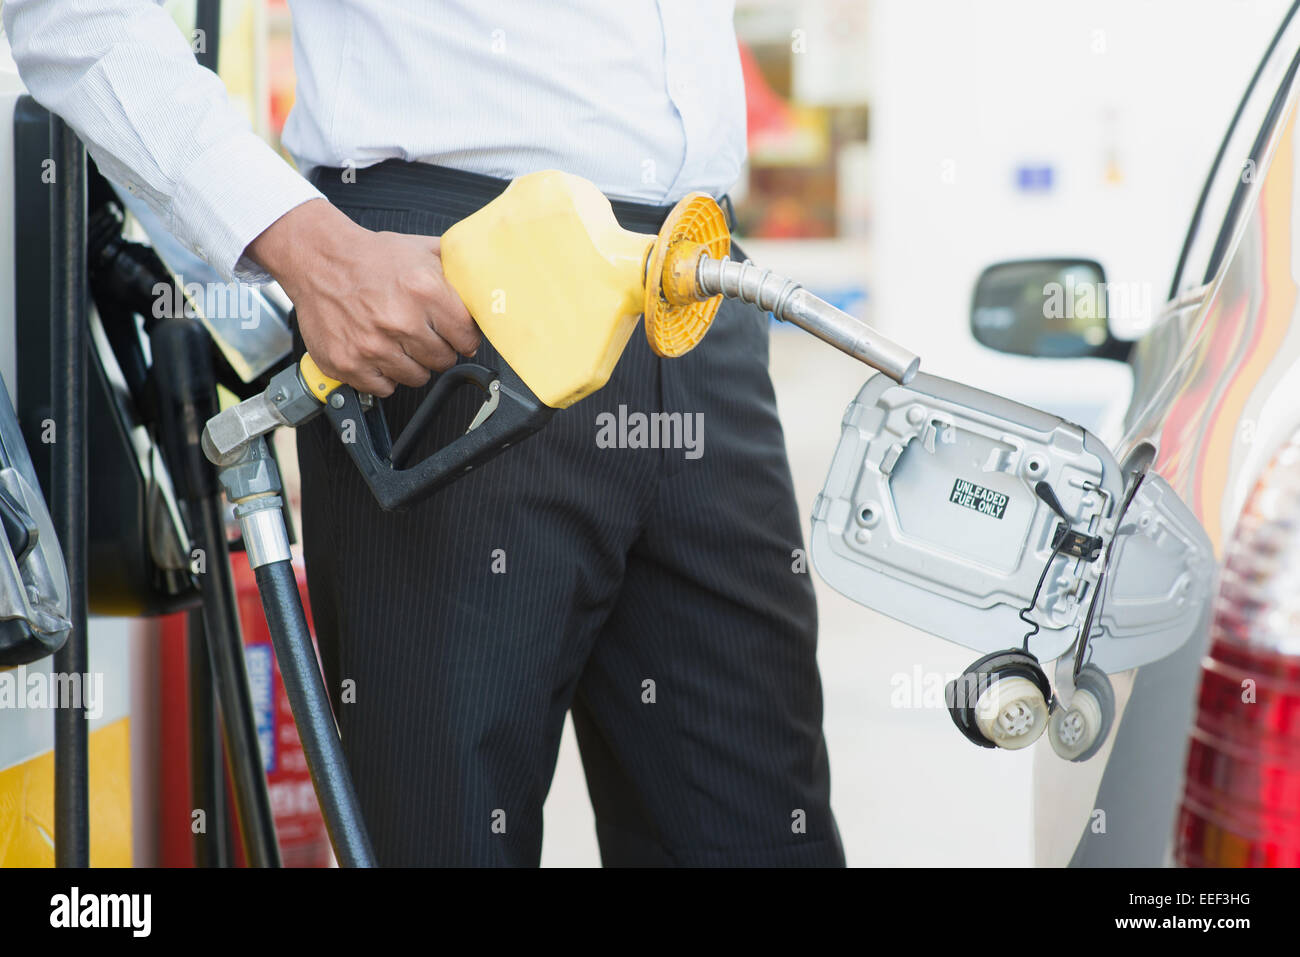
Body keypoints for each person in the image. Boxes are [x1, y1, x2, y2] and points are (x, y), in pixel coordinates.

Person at [8, 0, 845, 866]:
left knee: (761, 830)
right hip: (452, 294)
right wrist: (305, 245)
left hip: (699, 292)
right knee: (445, 834)